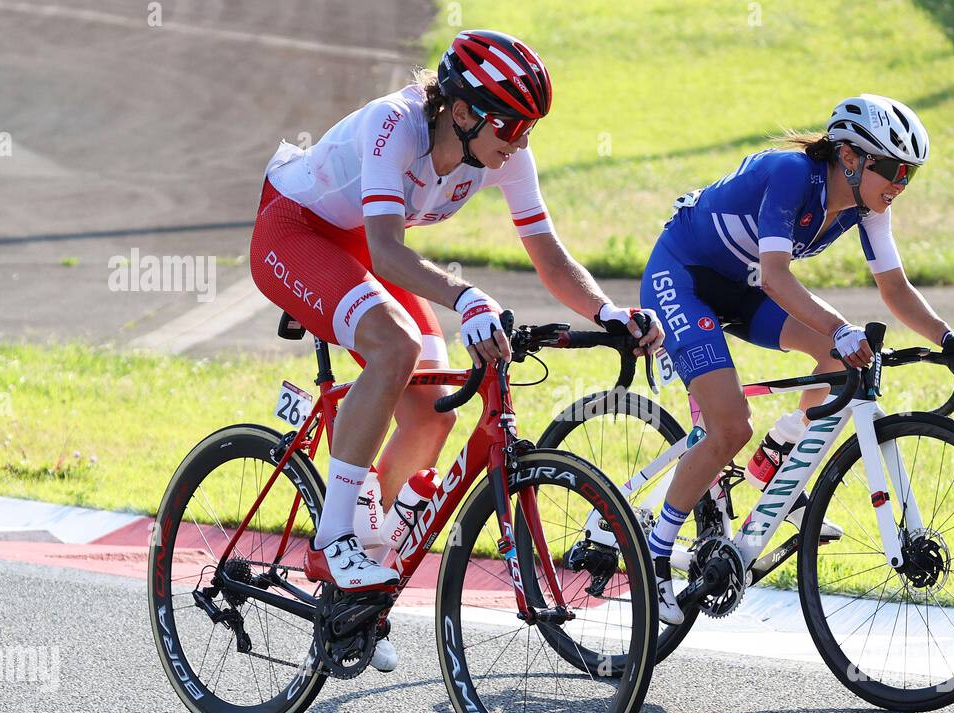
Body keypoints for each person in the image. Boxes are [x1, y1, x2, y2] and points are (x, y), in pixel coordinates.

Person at [249, 30, 662, 668]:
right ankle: (334, 537)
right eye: (512, 126)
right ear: (462, 113)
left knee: (435, 402)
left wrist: (608, 312)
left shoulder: (501, 151)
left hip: (359, 246)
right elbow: (388, 251)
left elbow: (548, 255)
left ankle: (362, 566)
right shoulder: (395, 127)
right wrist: (466, 297)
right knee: (396, 345)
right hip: (296, 231)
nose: (520, 143)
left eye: (529, 129)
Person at [639, 94, 954, 625]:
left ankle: (776, 462)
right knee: (730, 426)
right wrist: (840, 327)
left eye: (909, 175)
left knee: (837, 361)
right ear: (850, 156)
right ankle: (655, 551)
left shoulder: (866, 207)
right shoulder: (791, 174)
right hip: (684, 277)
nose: (899, 184)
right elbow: (777, 275)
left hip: (741, 285)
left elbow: (894, 287)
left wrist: (948, 337)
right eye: (892, 169)